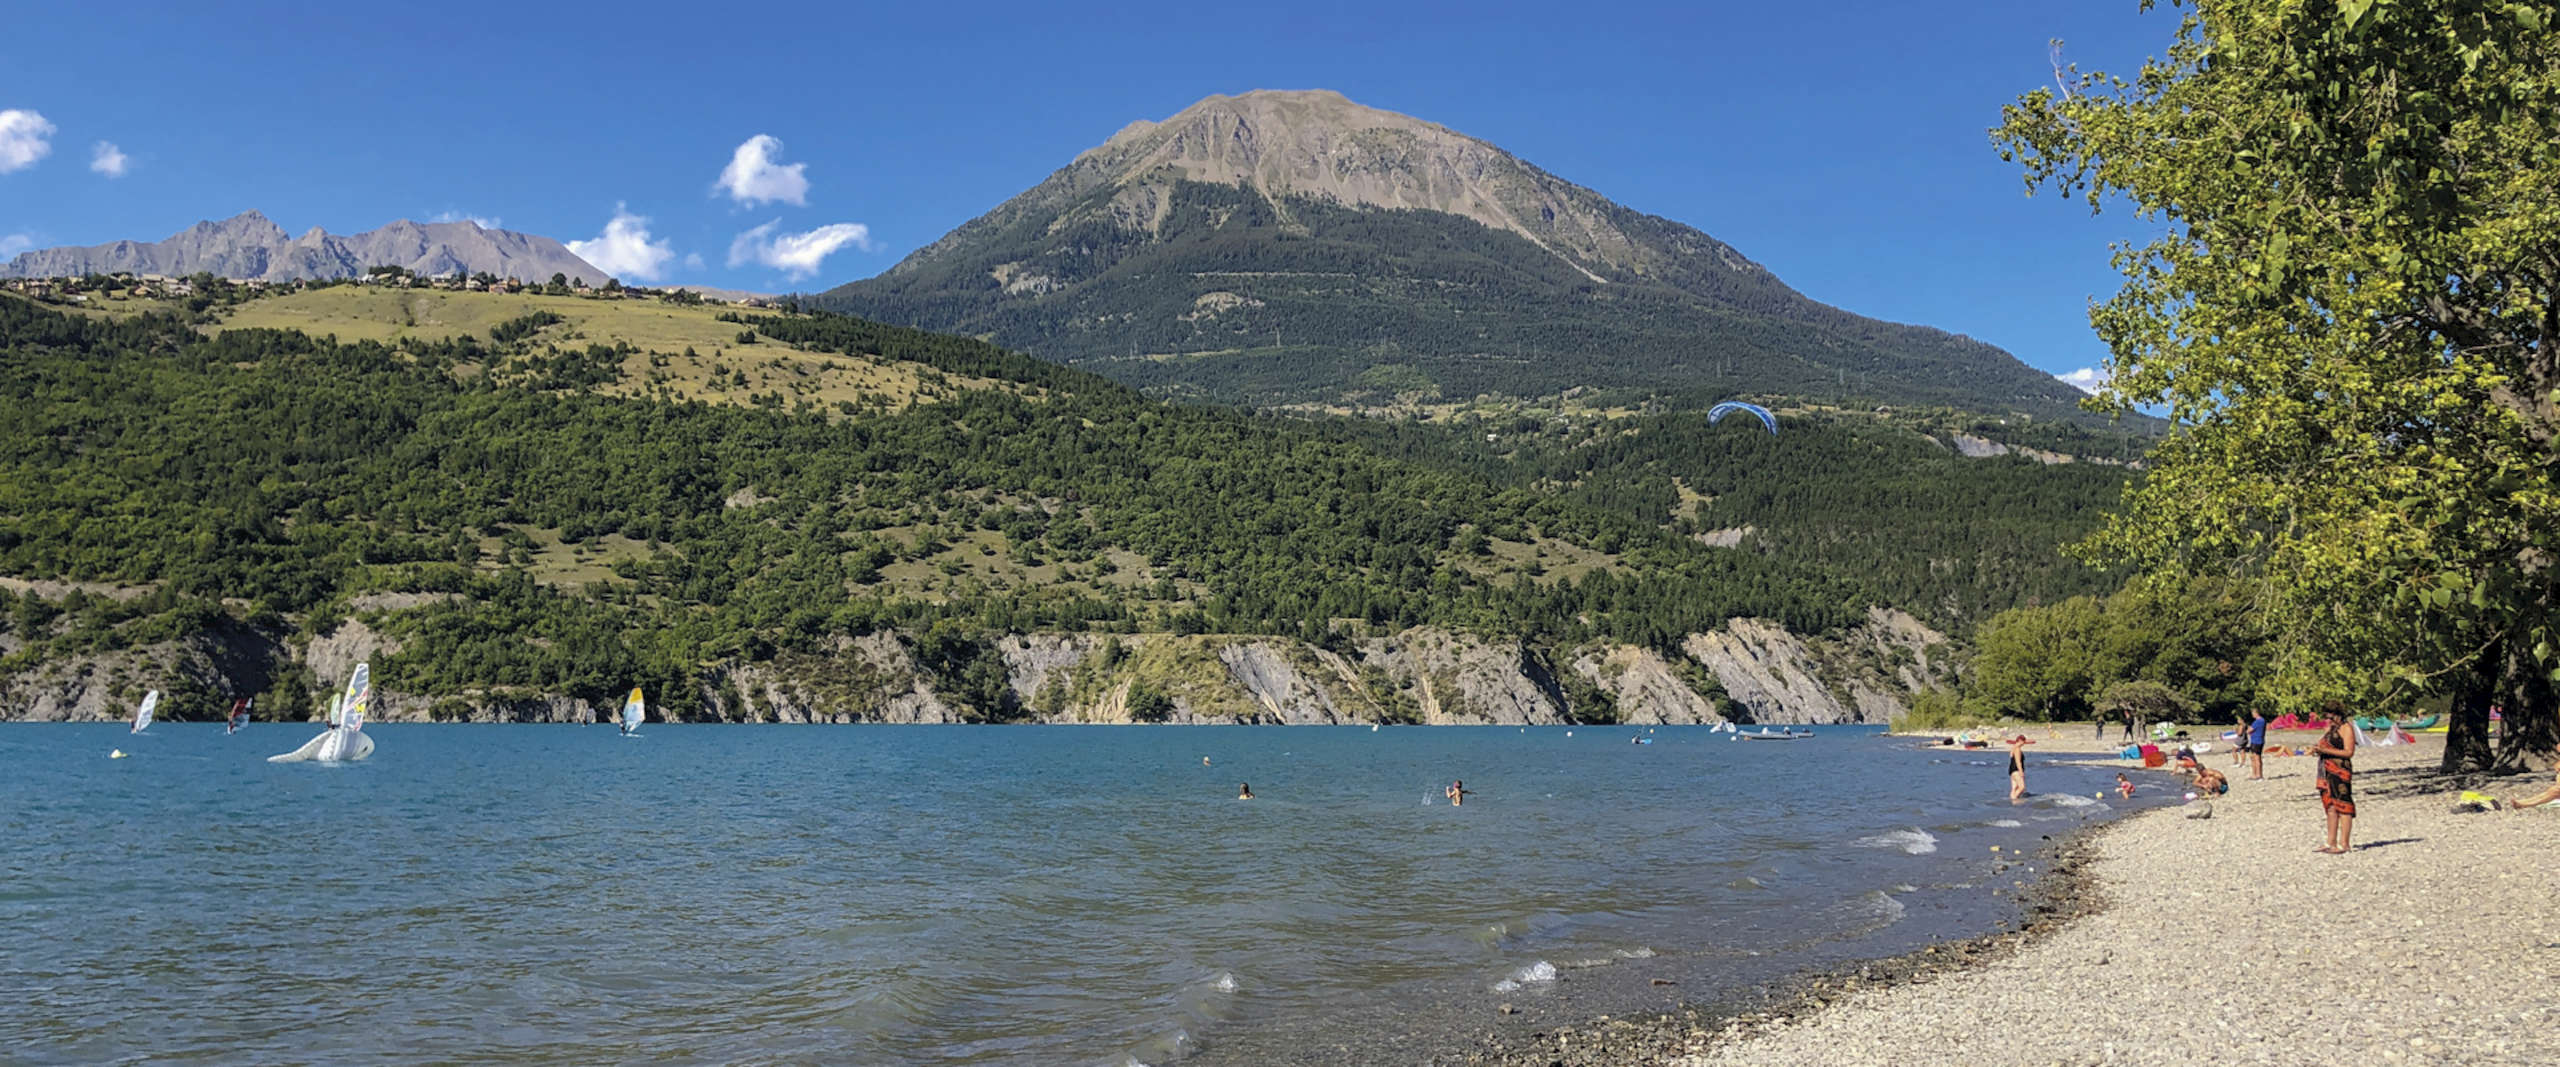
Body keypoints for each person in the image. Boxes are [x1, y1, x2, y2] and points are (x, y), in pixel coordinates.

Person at [2311, 703, 2357, 853]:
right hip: (2326, 770)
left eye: (2329, 716)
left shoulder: (2346, 728)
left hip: (2340, 771)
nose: (2327, 719)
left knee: (2343, 805)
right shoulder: (2330, 728)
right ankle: (2330, 841)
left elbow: (2349, 752)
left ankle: (2344, 843)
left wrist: (2326, 750)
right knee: (2330, 806)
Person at [2006, 735, 2033, 801]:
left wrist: (2026, 742)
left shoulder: (2013, 748)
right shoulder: (2017, 749)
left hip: (2012, 770)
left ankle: (2013, 802)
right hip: (2016, 770)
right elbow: (2018, 761)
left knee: (2014, 788)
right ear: (2021, 741)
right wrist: (2021, 771)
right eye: (2024, 742)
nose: (2024, 743)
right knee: (2022, 787)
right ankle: (2015, 799)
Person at [2246, 709, 2268, 780]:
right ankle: (2255, 774)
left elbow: (2249, 730)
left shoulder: (2258, 721)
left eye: (2253, 713)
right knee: (2253, 757)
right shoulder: (2263, 720)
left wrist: (2248, 729)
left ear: (2256, 713)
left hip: (2256, 741)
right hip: (2258, 740)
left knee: (2257, 758)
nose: (2252, 715)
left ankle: (2259, 775)